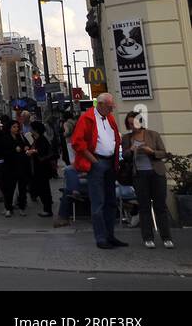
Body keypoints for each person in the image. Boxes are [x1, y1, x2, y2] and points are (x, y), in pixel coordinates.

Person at [71, 94, 125, 250]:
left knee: (111, 201)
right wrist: (93, 161)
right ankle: (101, 238)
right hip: (97, 162)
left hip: (110, 162)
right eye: (109, 106)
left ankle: (110, 236)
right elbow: (77, 142)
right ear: (100, 104)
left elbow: (115, 138)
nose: (111, 109)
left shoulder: (110, 118)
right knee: (98, 202)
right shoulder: (87, 118)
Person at [123, 110, 174, 249]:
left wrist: (151, 152)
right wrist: (132, 150)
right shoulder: (127, 138)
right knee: (144, 206)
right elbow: (125, 156)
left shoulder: (153, 134)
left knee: (160, 206)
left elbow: (164, 153)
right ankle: (148, 237)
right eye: (130, 124)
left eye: (134, 122)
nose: (133, 126)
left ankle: (166, 237)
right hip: (139, 175)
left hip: (156, 173)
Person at [27, 120, 56, 218]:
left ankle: (47, 209)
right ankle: (46, 208)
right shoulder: (37, 139)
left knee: (44, 189)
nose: (30, 130)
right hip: (40, 168)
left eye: (32, 128)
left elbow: (42, 152)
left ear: (35, 130)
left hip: (42, 169)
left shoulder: (41, 139)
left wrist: (33, 151)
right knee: (43, 188)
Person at [8, 120, 32, 216]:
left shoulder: (21, 137)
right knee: (10, 188)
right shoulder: (7, 138)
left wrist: (26, 147)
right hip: (11, 166)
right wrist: (14, 149)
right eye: (14, 127)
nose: (16, 129)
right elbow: (4, 150)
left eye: (17, 127)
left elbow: (27, 145)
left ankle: (22, 206)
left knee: (22, 188)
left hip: (22, 165)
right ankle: (9, 207)